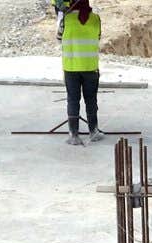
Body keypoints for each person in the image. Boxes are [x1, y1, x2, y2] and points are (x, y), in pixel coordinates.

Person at [57, 0, 103, 145]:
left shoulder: (66, 18)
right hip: (90, 68)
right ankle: (93, 131)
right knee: (91, 100)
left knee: (73, 99)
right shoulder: (96, 18)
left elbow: (59, 38)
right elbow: (98, 37)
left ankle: (74, 135)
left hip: (71, 68)